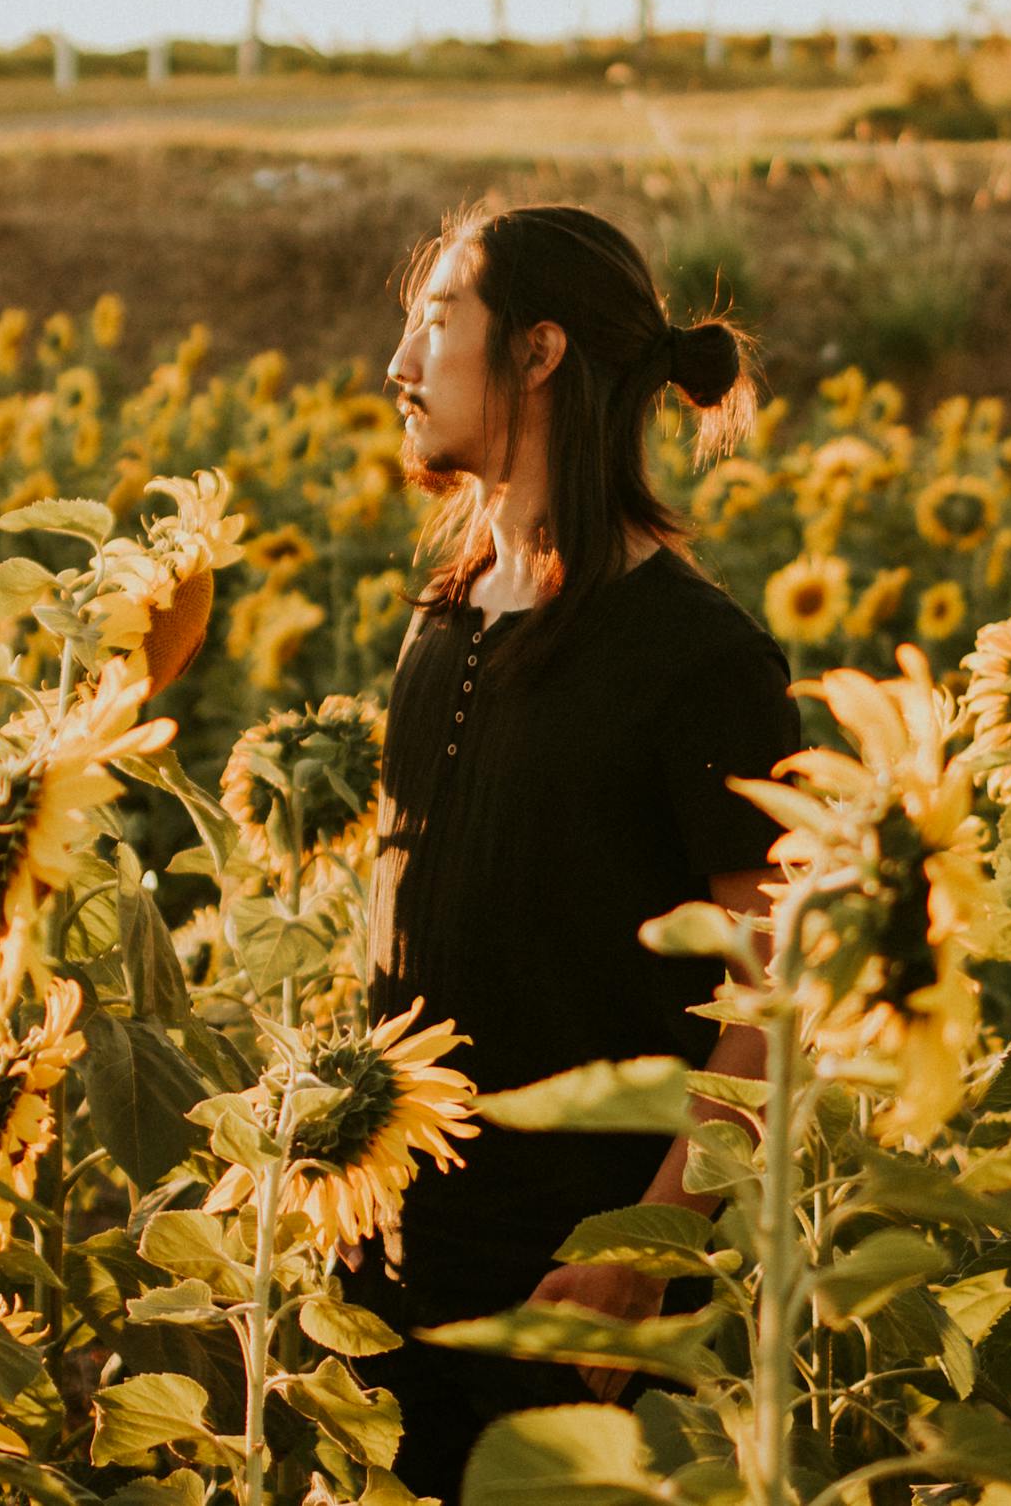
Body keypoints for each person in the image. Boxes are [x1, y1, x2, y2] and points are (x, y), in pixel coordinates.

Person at [338, 198, 802, 1501]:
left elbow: (774, 999)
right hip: (391, 1258)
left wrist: (644, 1250)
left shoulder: (697, 657)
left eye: (438, 325)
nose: (400, 365)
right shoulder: (447, 614)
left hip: (568, 1282)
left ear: (539, 353)